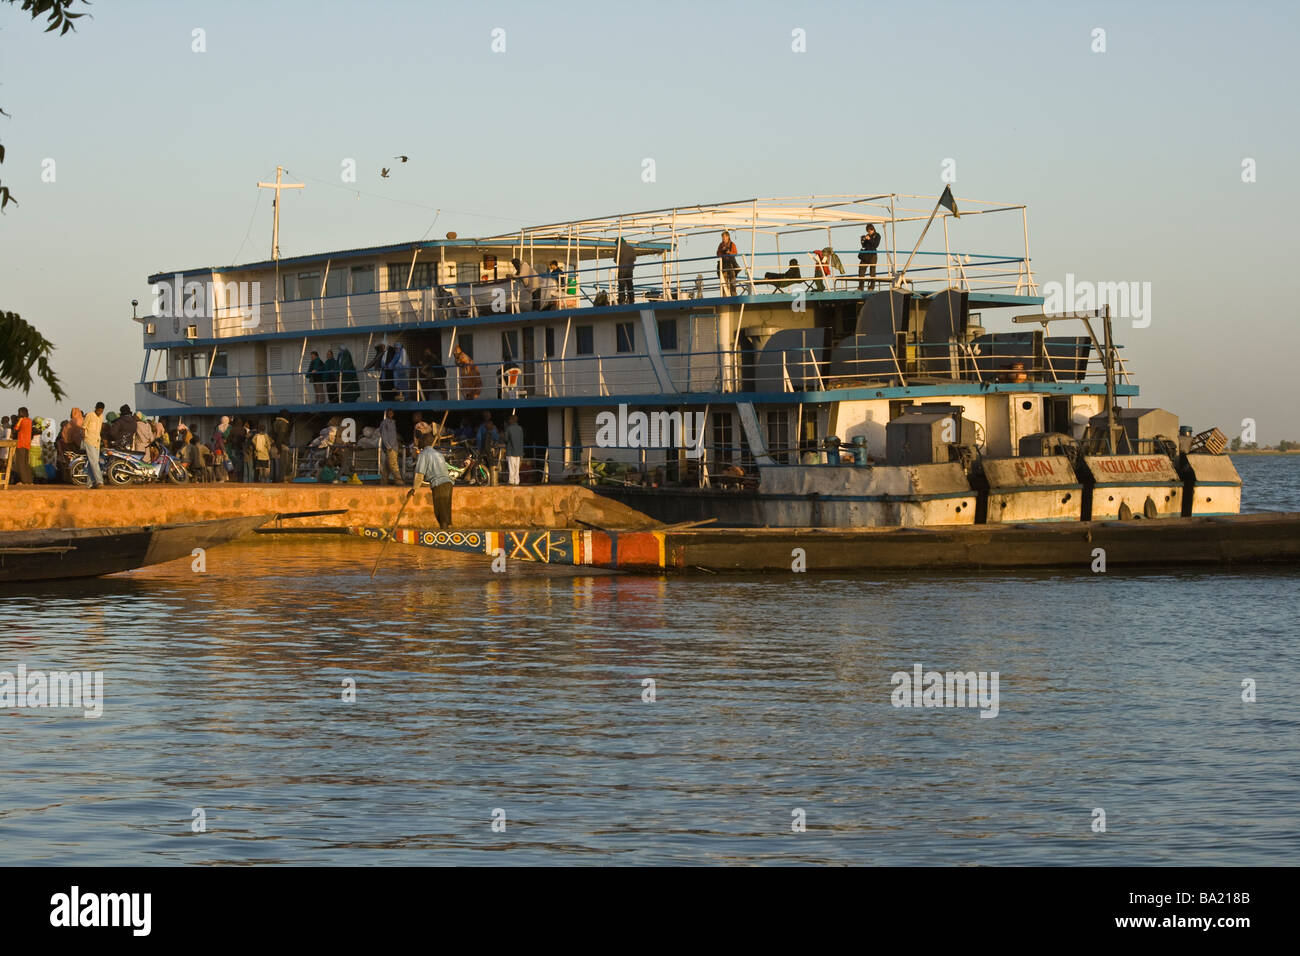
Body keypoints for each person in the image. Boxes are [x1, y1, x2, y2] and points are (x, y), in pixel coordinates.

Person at [409, 429, 453, 529]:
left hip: (439, 484)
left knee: (440, 510)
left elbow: (420, 474)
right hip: (448, 483)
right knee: (445, 510)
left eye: (420, 441)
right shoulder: (438, 454)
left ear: (424, 442)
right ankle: (446, 532)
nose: (419, 442)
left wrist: (414, 489)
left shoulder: (423, 454)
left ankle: (444, 534)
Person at [81, 402, 106, 488]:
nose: (100, 412)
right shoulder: (90, 415)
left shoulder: (101, 417)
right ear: (95, 408)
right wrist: (84, 439)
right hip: (89, 441)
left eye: (101, 411)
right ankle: (99, 481)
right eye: (98, 410)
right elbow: (83, 428)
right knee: (94, 462)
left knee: (93, 463)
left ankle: (90, 484)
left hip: (97, 442)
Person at [10, 407, 34, 484]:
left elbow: (16, 429)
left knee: (20, 463)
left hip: (21, 443)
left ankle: (24, 481)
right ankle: (29, 480)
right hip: (27, 443)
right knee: (26, 463)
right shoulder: (30, 420)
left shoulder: (21, 420)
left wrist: (18, 421)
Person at [378, 408, 401, 485]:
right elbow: (384, 435)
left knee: (387, 466)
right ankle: (399, 481)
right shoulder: (385, 423)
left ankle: (383, 482)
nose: (391, 414)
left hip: (394, 447)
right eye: (389, 413)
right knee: (394, 464)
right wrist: (388, 447)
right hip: (391, 448)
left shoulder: (393, 423)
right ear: (387, 414)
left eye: (392, 413)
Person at [858, 225, 881, 291]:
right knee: (861, 269)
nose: (869, 232)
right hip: (866, 254)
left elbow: (875, 245)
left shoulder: (877, 235)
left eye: (870, 230)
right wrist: (863, 240)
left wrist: (870, 239)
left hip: (873, 255)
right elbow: (864, 245)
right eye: (868, 231)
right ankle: (861, 287)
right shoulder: (867, 235)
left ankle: (871, 286)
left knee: (872, 271)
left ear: (872, 229)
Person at [716, 231, 739, 296]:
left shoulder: (732, 244)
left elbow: (735, 253)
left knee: (732, 281)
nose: (723, 238)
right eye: (722, 237)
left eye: (724, 237)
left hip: (731, 265)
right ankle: (724, 296)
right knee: (724, 282)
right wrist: (722, 251)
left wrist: (729, 252)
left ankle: (734, 295)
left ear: (728, 237)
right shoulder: (721, 245)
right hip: (723, 265)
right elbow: (717, 254)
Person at [273, 409, 293, 482]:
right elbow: (281, 436)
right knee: (284, 464)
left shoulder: (275, 423)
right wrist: (279, 448)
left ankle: (277, 479)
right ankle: (282, 479)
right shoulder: (283, 423)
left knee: (278, 465)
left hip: (277, 445)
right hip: (283, 446)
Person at [504, 414, 524, 486]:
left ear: (512, 420)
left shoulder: (508, 428)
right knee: (517, 468)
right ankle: (517, 481)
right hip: (519, 452)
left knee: (511, 468)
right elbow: (522, 440)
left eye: (509, 419)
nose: (509, 421)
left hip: (511, 451)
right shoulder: (520, 428)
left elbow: (506, 439)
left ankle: (511, 481)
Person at [615, 238, 636, 304]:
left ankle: (622, 300)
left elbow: (616, 260)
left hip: (622, 270)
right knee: (630, 285)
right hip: (630, 270)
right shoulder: (631, 248)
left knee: (621, 285)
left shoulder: (618, 249)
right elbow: (634, 259)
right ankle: (631, 299)